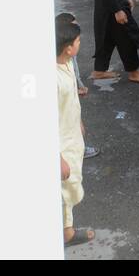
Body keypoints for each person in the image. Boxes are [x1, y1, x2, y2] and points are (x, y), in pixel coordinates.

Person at [57, 17, 93, 247]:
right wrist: (57, 158)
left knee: (70, 185)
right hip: (61, 142)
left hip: (72, 134)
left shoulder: (67, 63)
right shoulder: (52, 76)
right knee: (64, 187)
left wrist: (78, 121)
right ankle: (65, 232)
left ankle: (66, 229)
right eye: (78, 41)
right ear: (68, 47)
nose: (80, 44)